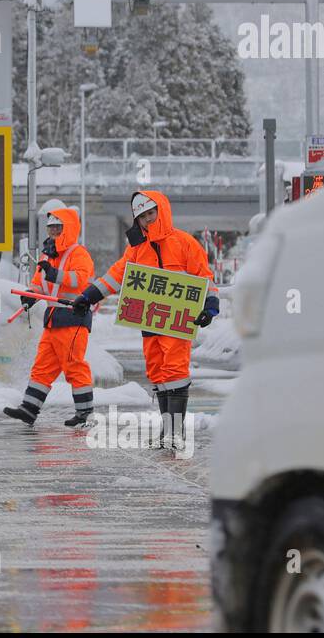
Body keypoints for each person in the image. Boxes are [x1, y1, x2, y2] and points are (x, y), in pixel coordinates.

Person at [70, 190, 218, 448]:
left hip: (177, 321)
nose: (148, 220)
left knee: (175, 372)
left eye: (151, 213)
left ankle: (175, 433)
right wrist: (89, 296)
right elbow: (116, 276)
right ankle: (167, 432)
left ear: (161, 210)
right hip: (151, 321)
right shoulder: (137, 249)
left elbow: (203, 277)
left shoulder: (185, 243)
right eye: (142, 217)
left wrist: (210, 304)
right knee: (158, 373)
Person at [4, 202, 95, 428]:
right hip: (53, 319)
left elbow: (80, 280)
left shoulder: (79, 253)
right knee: (42, 367)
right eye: (50, 227)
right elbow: (38, 285)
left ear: (69, 228)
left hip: (74, 318)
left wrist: (55, 274)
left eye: (58, 227)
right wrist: (30, 296)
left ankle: (85, 413)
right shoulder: (47, 256)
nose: (53, 231)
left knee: (74, 366)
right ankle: (29, 409)